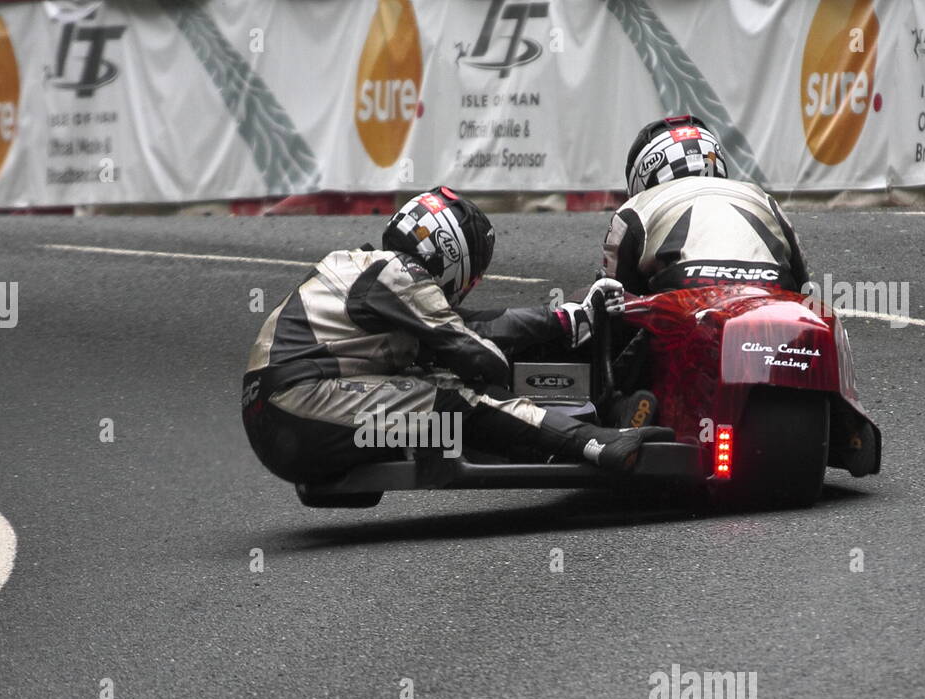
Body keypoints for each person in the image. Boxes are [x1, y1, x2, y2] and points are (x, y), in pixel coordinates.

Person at [242, 186, 672, 486]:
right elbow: (478, 353)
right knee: (459, 397)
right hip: (301, 406)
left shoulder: (366, 268)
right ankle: (597, 443)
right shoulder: (398, 274)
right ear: (453, 256)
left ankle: (553, 443)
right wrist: (509, 368)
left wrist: (564, 319)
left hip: (283, 419)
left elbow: (467, 326)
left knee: (447, 410)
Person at [601, 114, 810, 295]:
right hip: (772, 291)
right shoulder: (760, 197)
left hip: (686, 298)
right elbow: (804, 285)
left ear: (646, 171)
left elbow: (613, 297)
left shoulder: (635, 207)